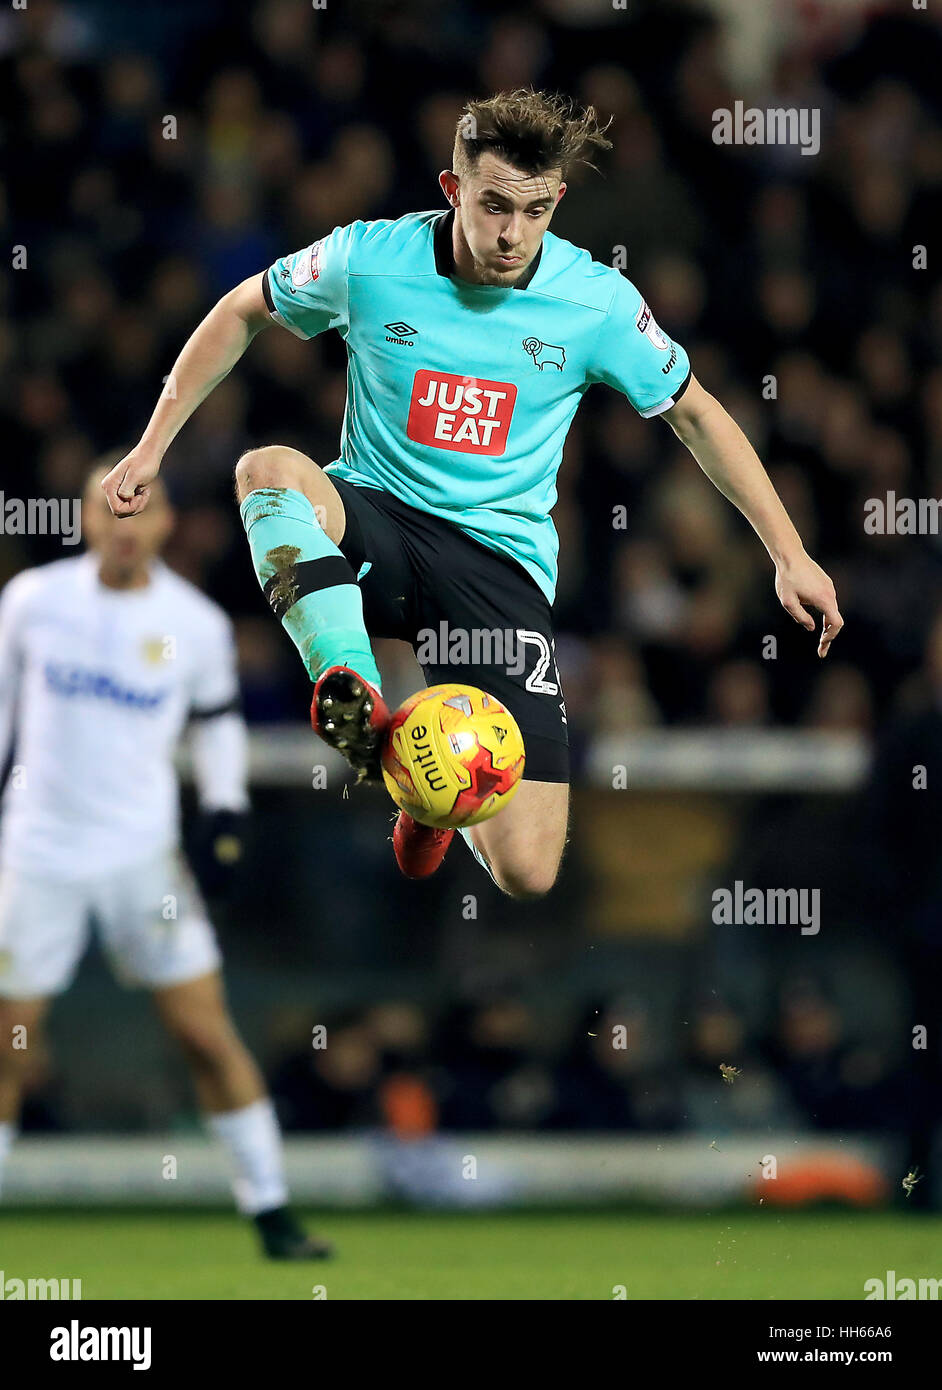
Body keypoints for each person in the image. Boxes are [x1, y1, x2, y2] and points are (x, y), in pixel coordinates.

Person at [101, 88, 843, 895]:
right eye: (493, 205)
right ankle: (354, 695)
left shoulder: (594, 303)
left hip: (497, 567)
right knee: (266, 470)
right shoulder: (370, 259)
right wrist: (151, 447)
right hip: (374, 523)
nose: (512, 233)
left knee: (527, 874)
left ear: (557, 200)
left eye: (533, 210)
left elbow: (695, 412)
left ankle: (424, 794)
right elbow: (244, 307)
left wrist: (789, 551)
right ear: (453, 190)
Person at [0, 464, 330, 1259]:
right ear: (82, 518)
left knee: (205, 1034)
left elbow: (216, 727)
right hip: (38, 850)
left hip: (143, 858)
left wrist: (224, 815)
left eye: (137, 510)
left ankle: (273, 1211)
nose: (122, 526)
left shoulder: (197, 624)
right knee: (9, 1041)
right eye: (106, 509)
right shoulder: (34, 603)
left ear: (164, 524)